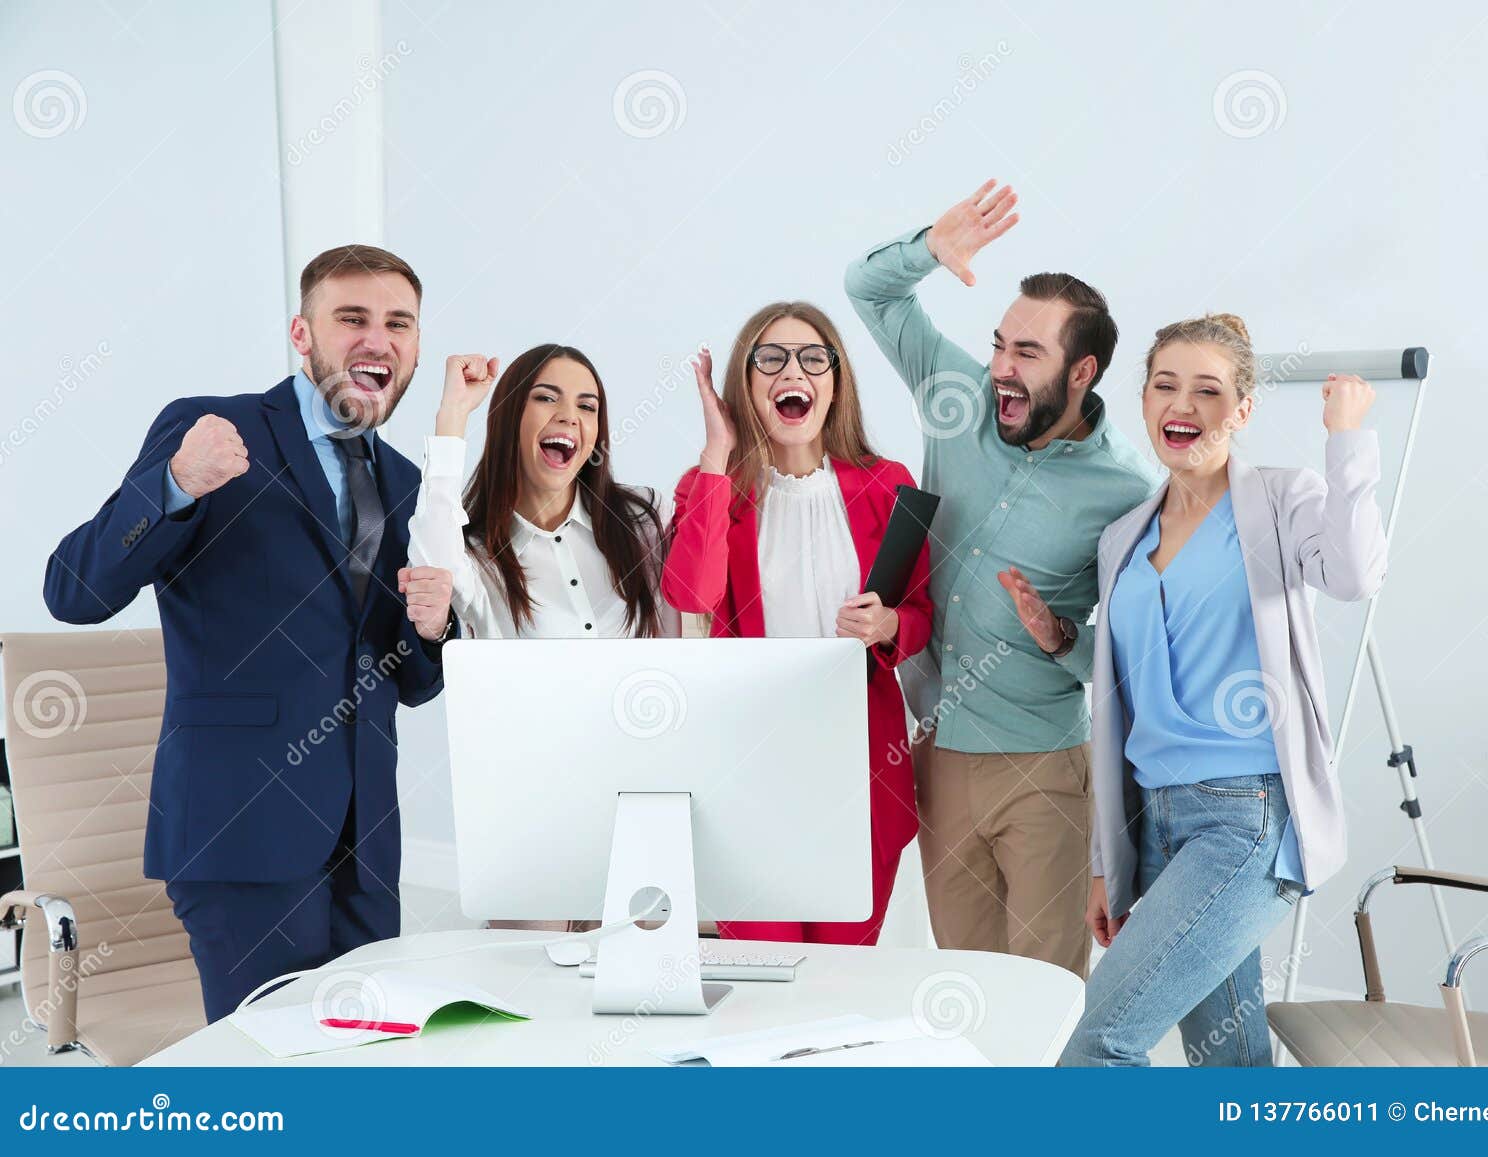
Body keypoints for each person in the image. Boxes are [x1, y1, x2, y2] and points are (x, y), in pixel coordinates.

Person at [43, 245, 456, 1022]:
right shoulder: (213, 429)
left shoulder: (405, 482)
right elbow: (74, 590)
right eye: (353, 317)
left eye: (398, 323)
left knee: (366, 1062)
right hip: (242, 831)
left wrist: (434, 630)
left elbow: (412, 684)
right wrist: (174, 486)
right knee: (266, 1069)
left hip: (367, 846)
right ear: (302, 334)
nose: (378, 339)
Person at [1047, 313, 1385, 1065]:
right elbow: (1119, 701)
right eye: (1166, 385)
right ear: (1143, 400)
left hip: (1244, 818)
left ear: (1242, 410)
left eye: (1208, 390)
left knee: (1099, 1042)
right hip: (1155, 823)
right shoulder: (1123, 537)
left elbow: (1355, 574)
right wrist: (1107, 859)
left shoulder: (1280, 501)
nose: (1184, 404)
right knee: (1225, 1062)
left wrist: (1346, 440)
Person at [844, 180, 1158, 977]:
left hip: (1044, 766)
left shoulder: (1128, 488)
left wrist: (1060, 636)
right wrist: (929, 250)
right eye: (998, 344)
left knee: (1044, 991)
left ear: (1082, 371)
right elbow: (868, 290)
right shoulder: (959, 399)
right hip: (939, 750)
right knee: (966, 986)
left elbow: (1140, 653)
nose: (1001, 369)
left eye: (1027, 353)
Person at [661, 304, 933, 946]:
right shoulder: (709, 486)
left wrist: (887, 624)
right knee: (761, 969)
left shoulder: (887, 485)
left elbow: (921, 613)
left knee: (840, 976)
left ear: (835, 383)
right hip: (749, 771)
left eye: (813, 358)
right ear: (745, 382)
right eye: (771, 358)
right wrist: (717, 453)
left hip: (859, 770)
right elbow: (691, 593)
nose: (794, 372)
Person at [407, 344, 680, 641]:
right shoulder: (473, 554)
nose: (569, 416)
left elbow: (673, 650)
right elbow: (432, 580)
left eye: (587, 407)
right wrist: (453, 413)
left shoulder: (645, 517)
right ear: (511, 417)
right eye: (546, 398)